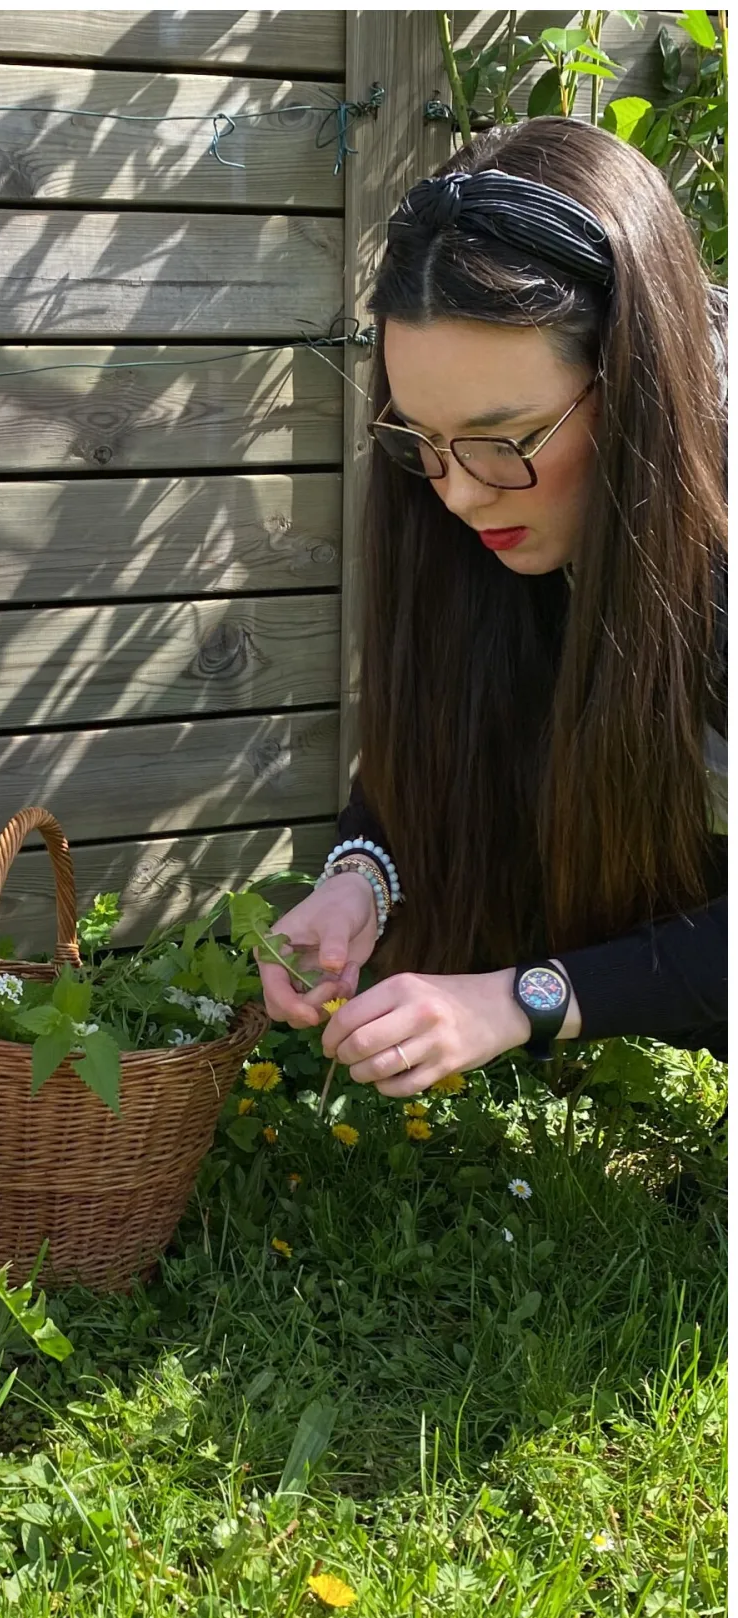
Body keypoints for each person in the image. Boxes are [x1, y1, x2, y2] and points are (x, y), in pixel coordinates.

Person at [258, 118, 726, 1088]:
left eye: (502, 437)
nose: (459, 493)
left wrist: (520, 997)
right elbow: (447, 721)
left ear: (629, 379)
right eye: (417, 438)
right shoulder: (468, 486)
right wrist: (357, 880)